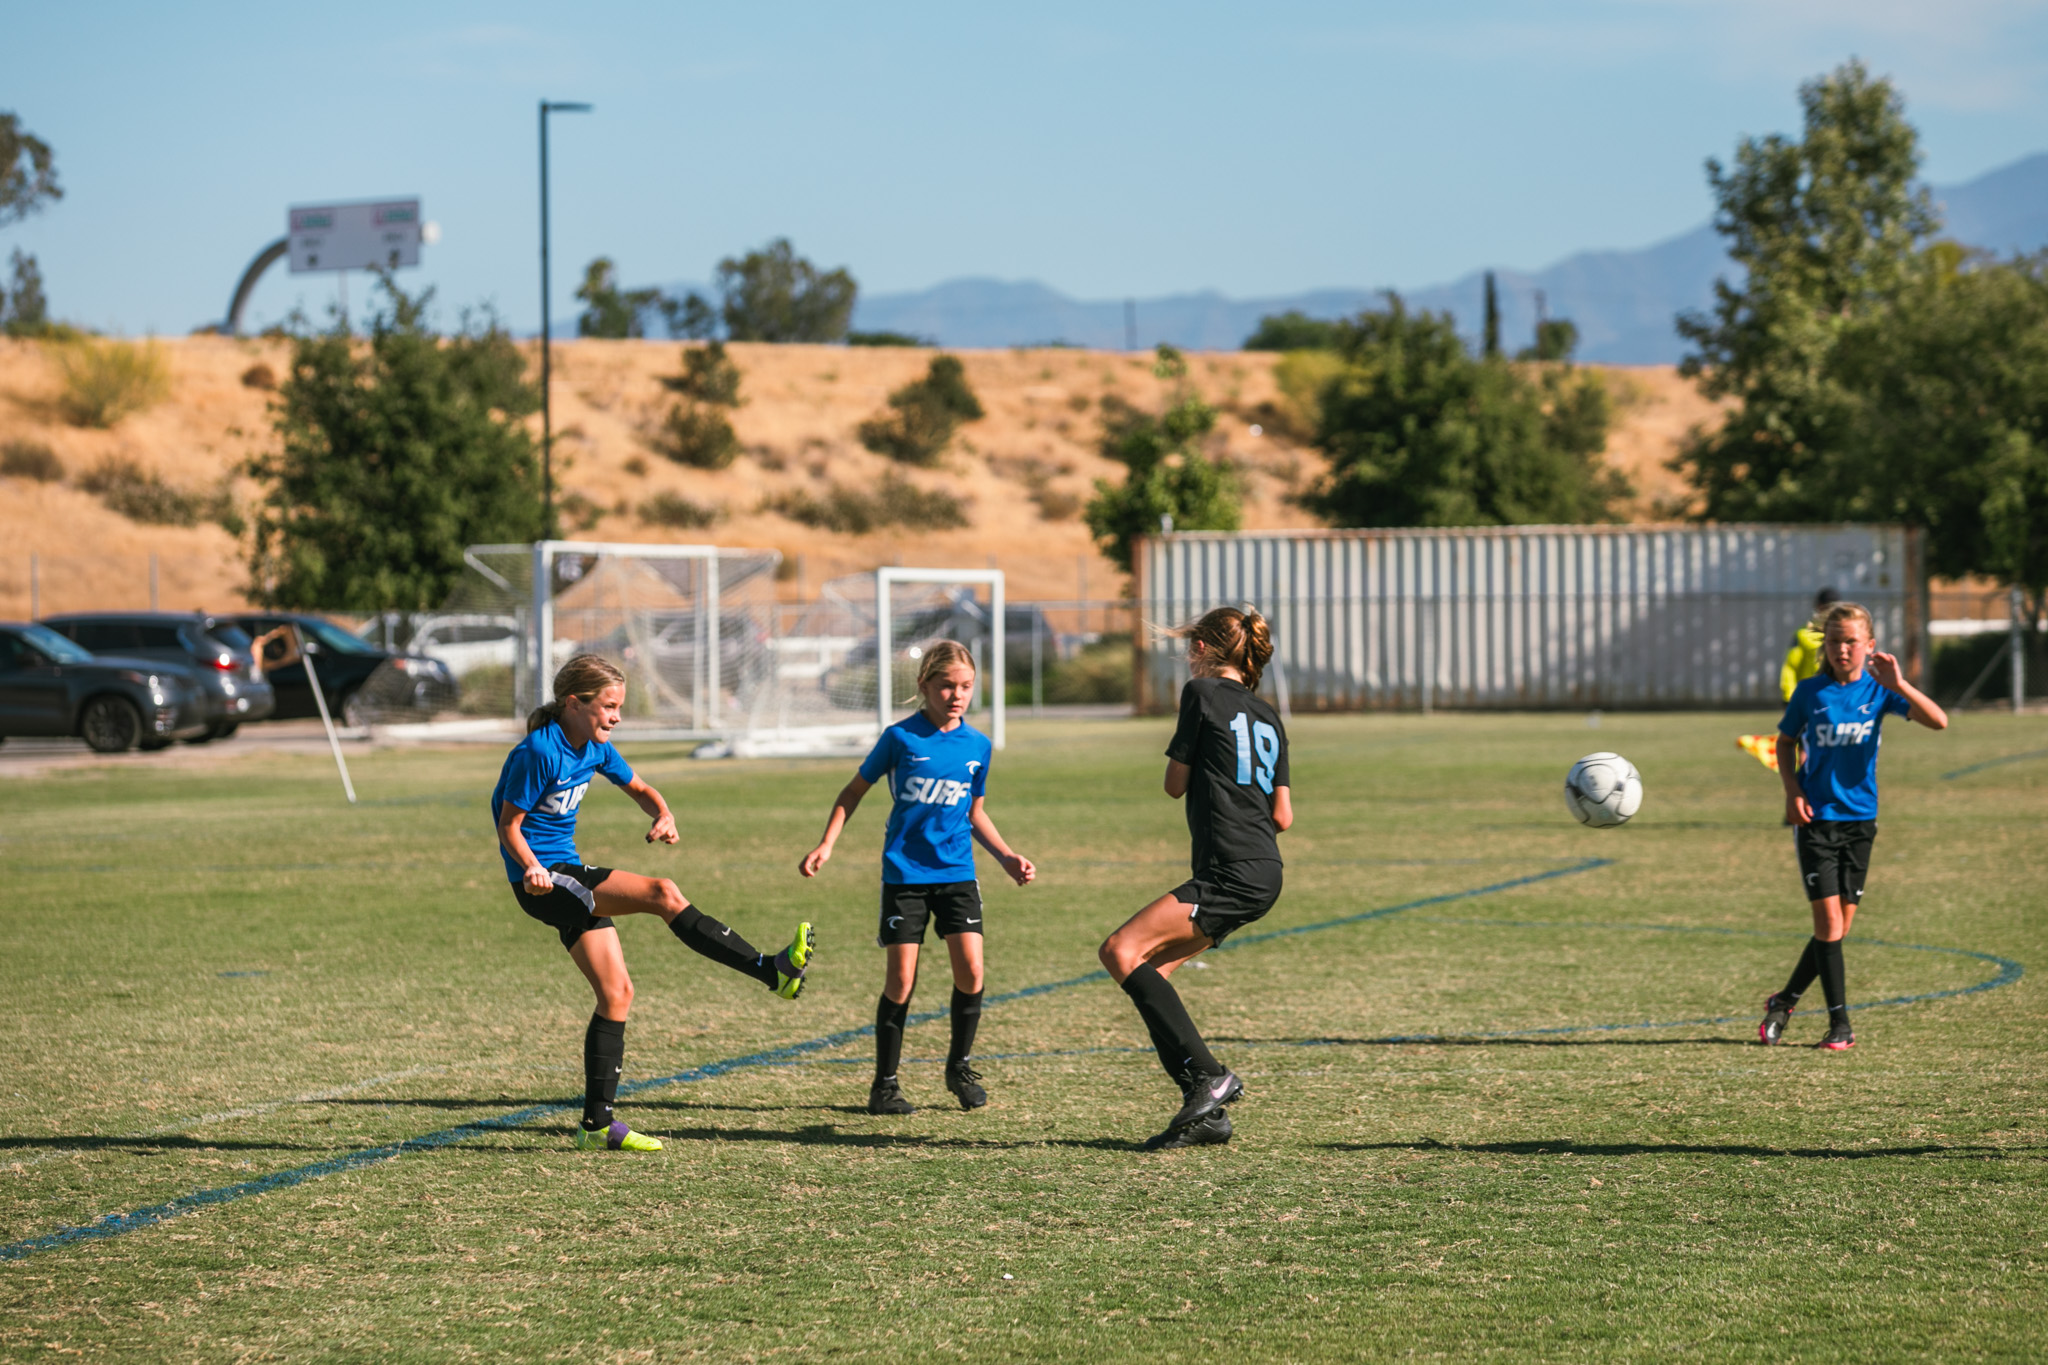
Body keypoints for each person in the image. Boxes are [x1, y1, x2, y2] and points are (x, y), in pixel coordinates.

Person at [495, 654, 815, 1152]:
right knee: (662, 892)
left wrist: (663, 813)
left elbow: (641, 789)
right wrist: (533, 868)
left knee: (617, 994)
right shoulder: (541, 751)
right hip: (542, 879)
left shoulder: (596, 746)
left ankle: (596, 1126)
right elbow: (509, 825)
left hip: (561, 875)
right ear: (574, 704)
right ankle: (771, 971)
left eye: (618, 707)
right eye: (609, 706)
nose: (616, 716)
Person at [799, 640, 1035, 1116]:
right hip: (904, 876)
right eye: (946, 685)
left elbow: (975, 813)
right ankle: (884, 1085)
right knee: (901, 981)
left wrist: (1007, 856)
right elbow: (852, 791)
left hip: (957, 874)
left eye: (965, 686)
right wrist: (827, 843)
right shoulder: (900, 738)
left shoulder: (978, 745)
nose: (957, 695)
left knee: (971, 972)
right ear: (924, 686)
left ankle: (959, 1067)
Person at [1098, 607, 1291, 1150]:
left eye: (1191, 646)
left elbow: (1174, 784)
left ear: (1204, 650)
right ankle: (1204, 1112)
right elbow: (1283, 817)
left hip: (1230, 868)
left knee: (1119, 950)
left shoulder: (1200, 695)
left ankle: (1210, 1078)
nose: (1188, 656)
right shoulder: (1269, 716)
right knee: (1150, 972)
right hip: (1264, 869)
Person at [1761, 603, 1946, 1050]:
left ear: (1870, 646)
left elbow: (1938, 721)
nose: (1842, 649)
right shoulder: (1811, 692)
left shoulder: (1880, 691)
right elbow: (1785, 742)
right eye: (1834, 641)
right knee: (1827, 923)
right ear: (1824, 645)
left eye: (1851, 641)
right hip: (1816, 820)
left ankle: (1784, 1001)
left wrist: (1898, 684)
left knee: (1837, 930)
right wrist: (1792, 790)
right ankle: (1840, 1025)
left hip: (1861, 820)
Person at [1738, 587, 1843, 774]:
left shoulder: (1843, 636)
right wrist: (1789, 695)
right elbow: (1790, 666)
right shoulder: (1803, 635)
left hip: (1835, 697)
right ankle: (1805, 783)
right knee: (1804, 743)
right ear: (1818, 607)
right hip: (1808, 699)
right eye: (1826, 607)